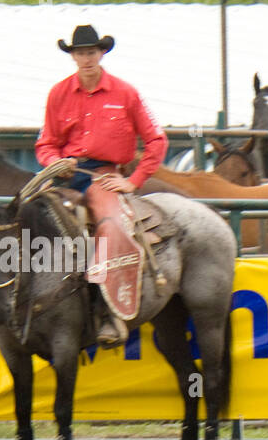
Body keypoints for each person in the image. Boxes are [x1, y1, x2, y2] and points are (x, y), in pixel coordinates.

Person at [30, 24, 169, 346]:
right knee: (21, 215)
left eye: (91, 52)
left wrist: (132, 181)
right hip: (64, 173)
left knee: (110, 226)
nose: (86, 58)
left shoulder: (125, 94)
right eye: (80, 53)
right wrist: (54, 163)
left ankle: (109, 310)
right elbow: (45, 143)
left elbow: (156, 140)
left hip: (104, 176)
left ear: (101, 53)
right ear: (73, 57)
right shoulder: (58, 93)